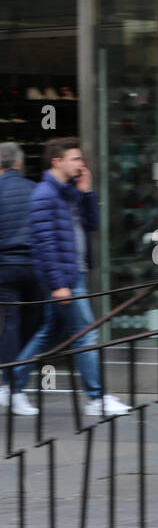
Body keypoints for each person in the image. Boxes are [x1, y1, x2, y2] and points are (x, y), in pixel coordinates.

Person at [10, 137, 130, 418]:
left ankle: (13, 387)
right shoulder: (44, 195)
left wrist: (86, 192)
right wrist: (58, 285)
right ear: (57, 162)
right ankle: (96, 397)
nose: (81, 164)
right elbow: (44, 245)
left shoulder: (67, 192)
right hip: (65, 278)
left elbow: (92, 224)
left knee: (47, 334)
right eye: (75, 159)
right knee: (86, 334)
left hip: (73, 273)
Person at [0, 143, 41, 416]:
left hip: (5, 267)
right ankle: (17, 388)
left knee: (10, 325)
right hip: (33, 266)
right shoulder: (34, 189)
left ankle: (7, 388)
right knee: (32, 325)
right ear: (20, 164)